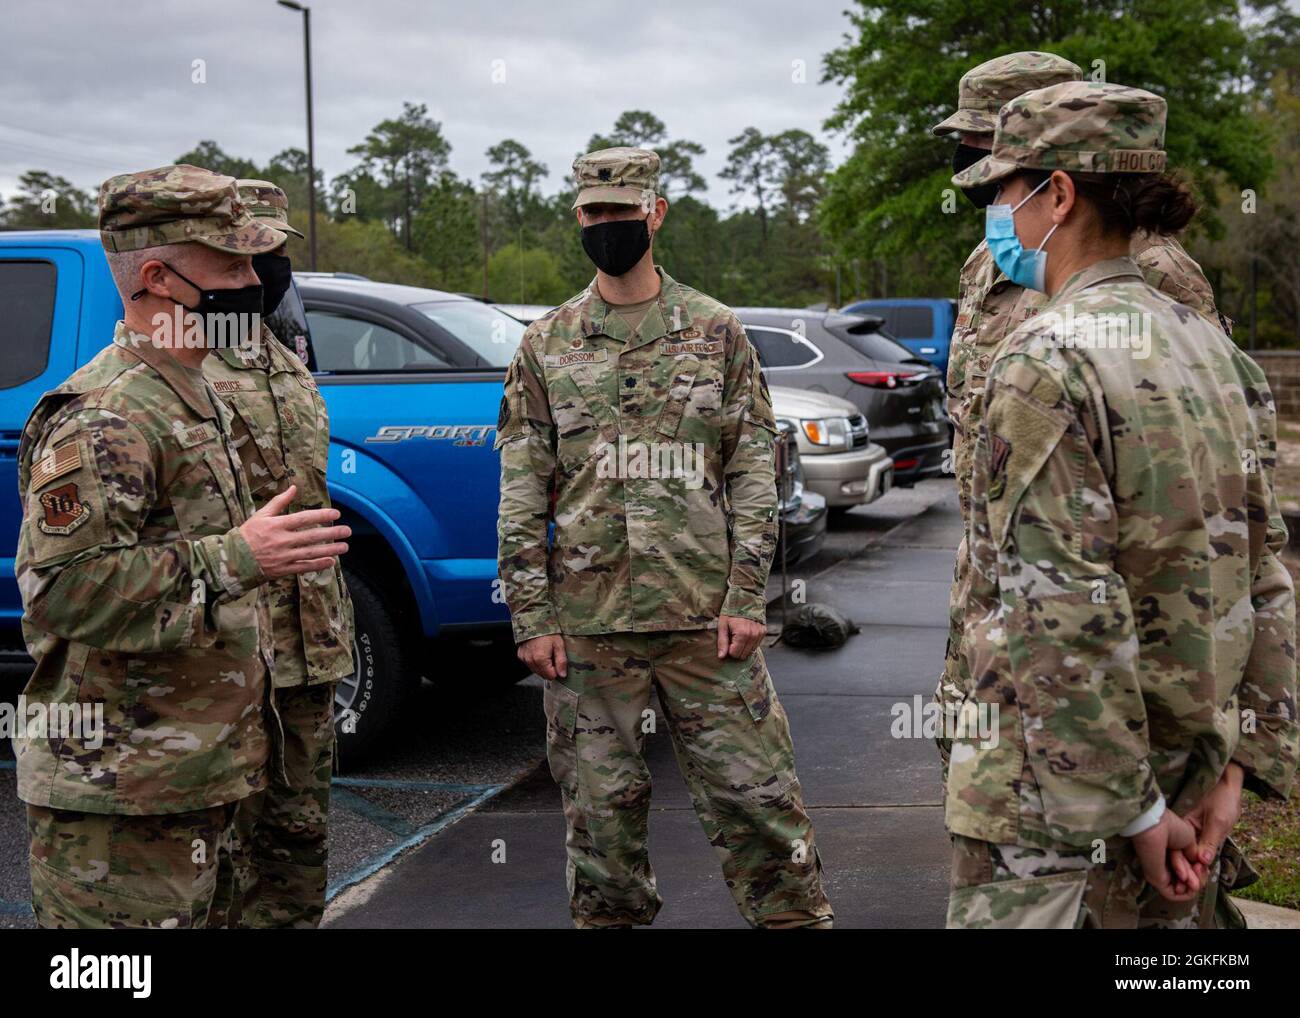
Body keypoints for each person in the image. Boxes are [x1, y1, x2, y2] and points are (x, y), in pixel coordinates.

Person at [943, 82, 1296, 928]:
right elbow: (1267, 579)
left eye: (1003, 190)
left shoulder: (1044, 361)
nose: (999, 214)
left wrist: (1130, 815)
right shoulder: (1214, 351)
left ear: (1056, 194)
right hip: (1189, 782)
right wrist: (1234, 775)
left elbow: (1061, 609)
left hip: (1055, 817)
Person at [495, 146, 832, 928]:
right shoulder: (547, 344)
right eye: (595, 214)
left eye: (624, 211)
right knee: (602, 838)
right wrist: (532, 615)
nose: (610, 226)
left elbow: (753, 472)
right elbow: (521, 490)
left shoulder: (716, 332)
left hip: (706, 625)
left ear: (657, 212)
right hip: (588, 632)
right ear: (579, 218)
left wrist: (750, 596)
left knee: (762, 814)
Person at [14, 165, 350, 928]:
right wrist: (239, 556)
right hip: (121, 795)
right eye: (230, 265)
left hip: (201, 772)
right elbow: (62, 588)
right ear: (159, 278)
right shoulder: (108, 415)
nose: (252, 282)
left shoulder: (189, 391)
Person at [204, 179, 355, 928]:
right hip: (226, 660)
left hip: (307, 652)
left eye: (274, 252)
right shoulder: (172, 369)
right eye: (242, 254)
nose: (262, 271)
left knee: (297, 859)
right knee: (217, 869)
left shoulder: (283, 358)